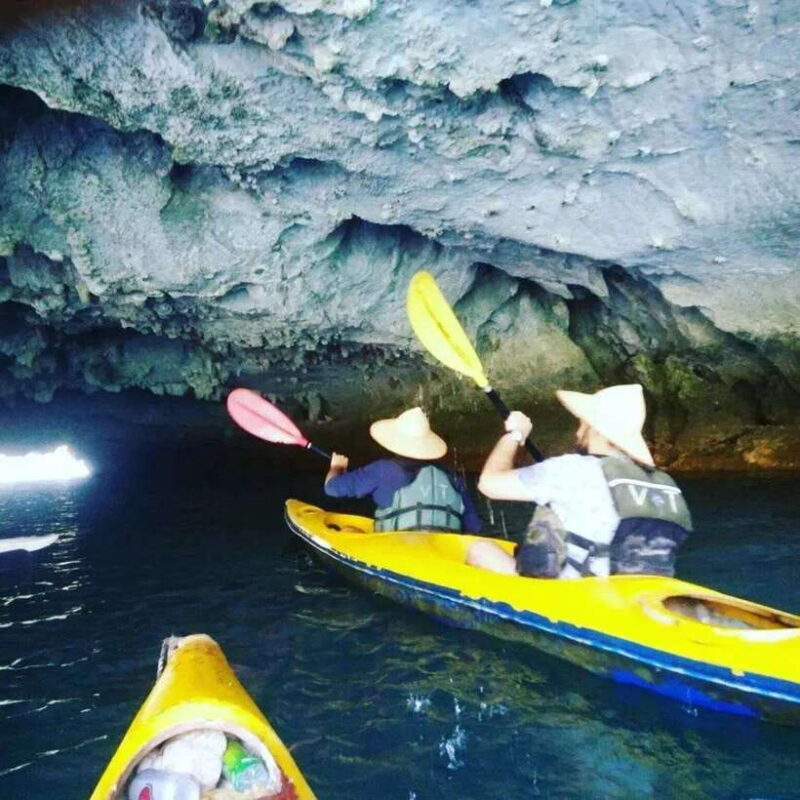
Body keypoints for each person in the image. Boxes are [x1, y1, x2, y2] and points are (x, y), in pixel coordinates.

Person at [468, 384, 692, 578]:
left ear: (596, 430)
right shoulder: (665, 483)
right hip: (633, 592)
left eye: (582, 424)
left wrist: (515, 435)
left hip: (578, 591)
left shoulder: (573, 469)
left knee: (481, 550)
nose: (577, 433)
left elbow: (489, 483)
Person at [325, 407, 481, 533]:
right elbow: (473, 526)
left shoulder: (384, 470)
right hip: (441, 553)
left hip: (399, 550)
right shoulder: (450, 476)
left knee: (348, 530)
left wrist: (336, 468)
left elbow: (332, 488)